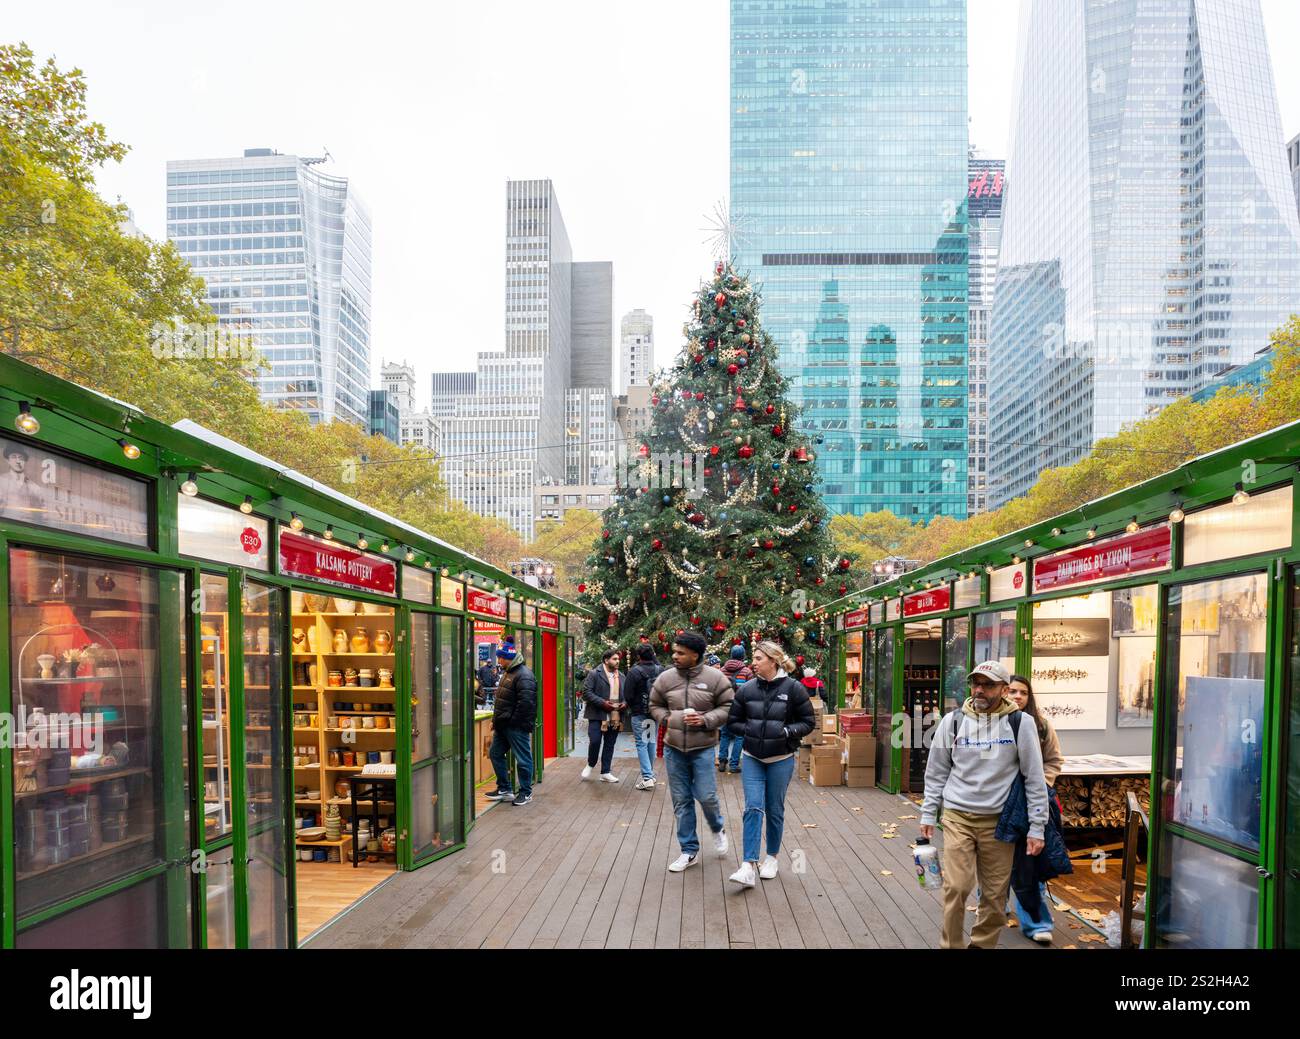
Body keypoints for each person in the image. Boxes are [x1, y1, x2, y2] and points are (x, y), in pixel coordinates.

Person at [920, 661, 1048, 949]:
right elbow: (936, 771)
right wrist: (929, 811)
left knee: (994, 895)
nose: (979, 690)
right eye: (975, 683)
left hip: (1000, 823)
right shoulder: (953, 721)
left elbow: (1034, 777)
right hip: (958, 817)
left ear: (1004, 690)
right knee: (957, 886)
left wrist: (1037, 827)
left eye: (988, 685)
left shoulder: (1020, 723)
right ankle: (950, 945)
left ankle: (981, 944)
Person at [725, 640, 816, 887]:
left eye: (758, 659)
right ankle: (747, 865)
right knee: (753, 807)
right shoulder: (746, 689)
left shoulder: (794, 689)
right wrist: (752, 730)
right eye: (753, 658)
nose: (753, 663)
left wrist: (786, 732)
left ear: (773, 660)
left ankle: (772, 858)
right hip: (753, 757)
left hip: (781, 759)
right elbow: (732, 722)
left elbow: (808, 722)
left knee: (774, 809)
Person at [649, 631, 734, 873]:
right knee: (681, 800)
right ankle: (689, 851)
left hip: (704, 748)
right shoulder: (665, 678)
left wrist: (706, 719)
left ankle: (717, 828)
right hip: (674, 749)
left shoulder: (716, 678)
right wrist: (668, 718)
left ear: (695, 655)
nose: (674, 656)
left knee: (706, 796)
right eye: (674, 652)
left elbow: (728, 706)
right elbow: (654, 704)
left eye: (680, 653)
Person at [1006, 674, 1064, 944]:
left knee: (1031, 859)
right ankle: (993, 906)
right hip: (1001, 802)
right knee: (995, 858)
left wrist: (1043, 781)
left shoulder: (1040, 726)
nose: (1018, 697)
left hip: (1032, 801)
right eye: (1012, 691)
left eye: (1023, 693)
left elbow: (1054, 759)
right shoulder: (992, 725)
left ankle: (1034, 922)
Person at [485, 637, 537, 806]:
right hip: (504, 725)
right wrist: (496, 720)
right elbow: (502, 700)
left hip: (515, 726)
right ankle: (504, 789)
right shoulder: (509, 672)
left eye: (500, 657)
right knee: (495, 753)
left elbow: (526, 704)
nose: (498, 660)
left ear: (507, 657)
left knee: (523, 759)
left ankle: (525, 792)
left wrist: (511, 722)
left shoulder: (524, 675)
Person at [581, 648, 625, 783]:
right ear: (606, 660)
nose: (617, 661)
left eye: (618, 659)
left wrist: (625, 703)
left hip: (616, 715)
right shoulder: (594, 674)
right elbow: (586, 692)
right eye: (614, 659)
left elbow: (628, 694)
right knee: (595, 741)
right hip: (597, 714)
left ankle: (605, 772)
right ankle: (590, 763)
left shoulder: (622, 676)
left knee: (609, 744)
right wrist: (602, 703)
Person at [624, 643, 663, 790]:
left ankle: (647, 777)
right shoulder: (660, 670)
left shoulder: (634, 672)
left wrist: (633, 706)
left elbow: (627, 694)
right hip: (655, 712)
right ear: (653, 654)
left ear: (638, 656)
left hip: (640, 712)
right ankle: (650, 775)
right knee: (651, 741)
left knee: (642, 743)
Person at [716, 644, 753, 773]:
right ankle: (734, 764)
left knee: (725, 734)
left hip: (725, 706)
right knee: (739, 736)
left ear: (731, 655)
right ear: (743, 656)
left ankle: (722, 761)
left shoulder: (721, 671)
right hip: (740, 708)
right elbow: (750, 692)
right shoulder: (747, 672)